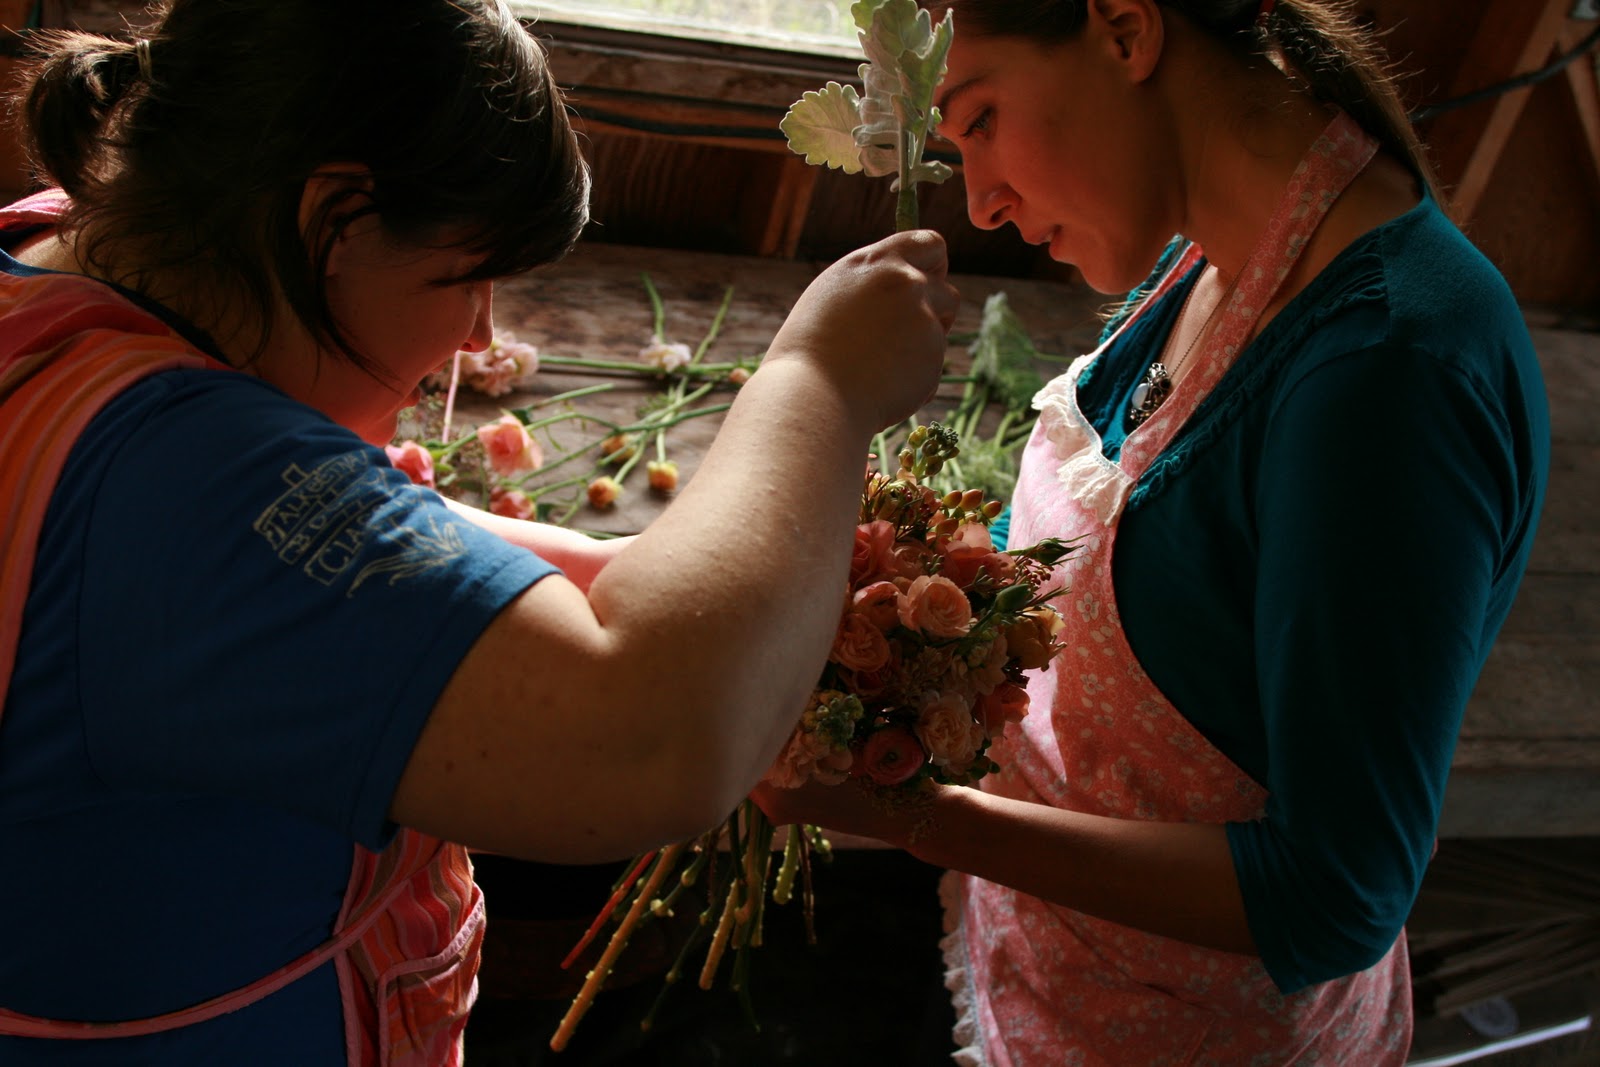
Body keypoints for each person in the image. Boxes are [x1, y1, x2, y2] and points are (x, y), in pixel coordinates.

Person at [0, 1, 959, 1063]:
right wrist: (813, 381)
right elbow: (649, 744)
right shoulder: (173, 481)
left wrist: (634, 574)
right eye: (466, 276)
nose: (482, 333)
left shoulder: (73, 260)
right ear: (337, 218)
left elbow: (297, 546)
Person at [755, 0, 1552, 1063]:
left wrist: (915, 815)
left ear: (1125, 30)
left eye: (981, 116)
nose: (981, 204)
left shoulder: (1381, 378)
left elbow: (1334, 898)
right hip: (1063, 978)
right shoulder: (1214, 256)